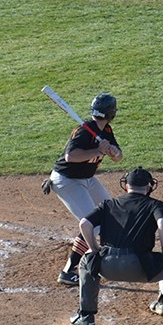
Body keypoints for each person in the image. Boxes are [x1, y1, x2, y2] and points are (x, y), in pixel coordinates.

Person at [71, 167, 163, 325]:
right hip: (141, 267)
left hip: (106, 265)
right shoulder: (155, 205)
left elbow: (84, 223)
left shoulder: (108, 204)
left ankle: (85, 317)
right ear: (149, 187)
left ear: (126, 186)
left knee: (86, 262)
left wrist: (94, 250)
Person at [43, 93, 123, 287]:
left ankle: (105, 257)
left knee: (111, 213)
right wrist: (98, 151)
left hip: (87, 179)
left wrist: (112, 151)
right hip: (67, 181)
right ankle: (68, 271)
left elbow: (119, 157)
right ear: (112, 113)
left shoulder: (106, 130)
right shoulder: (84, 131)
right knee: (92, 224)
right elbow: (71, 156)